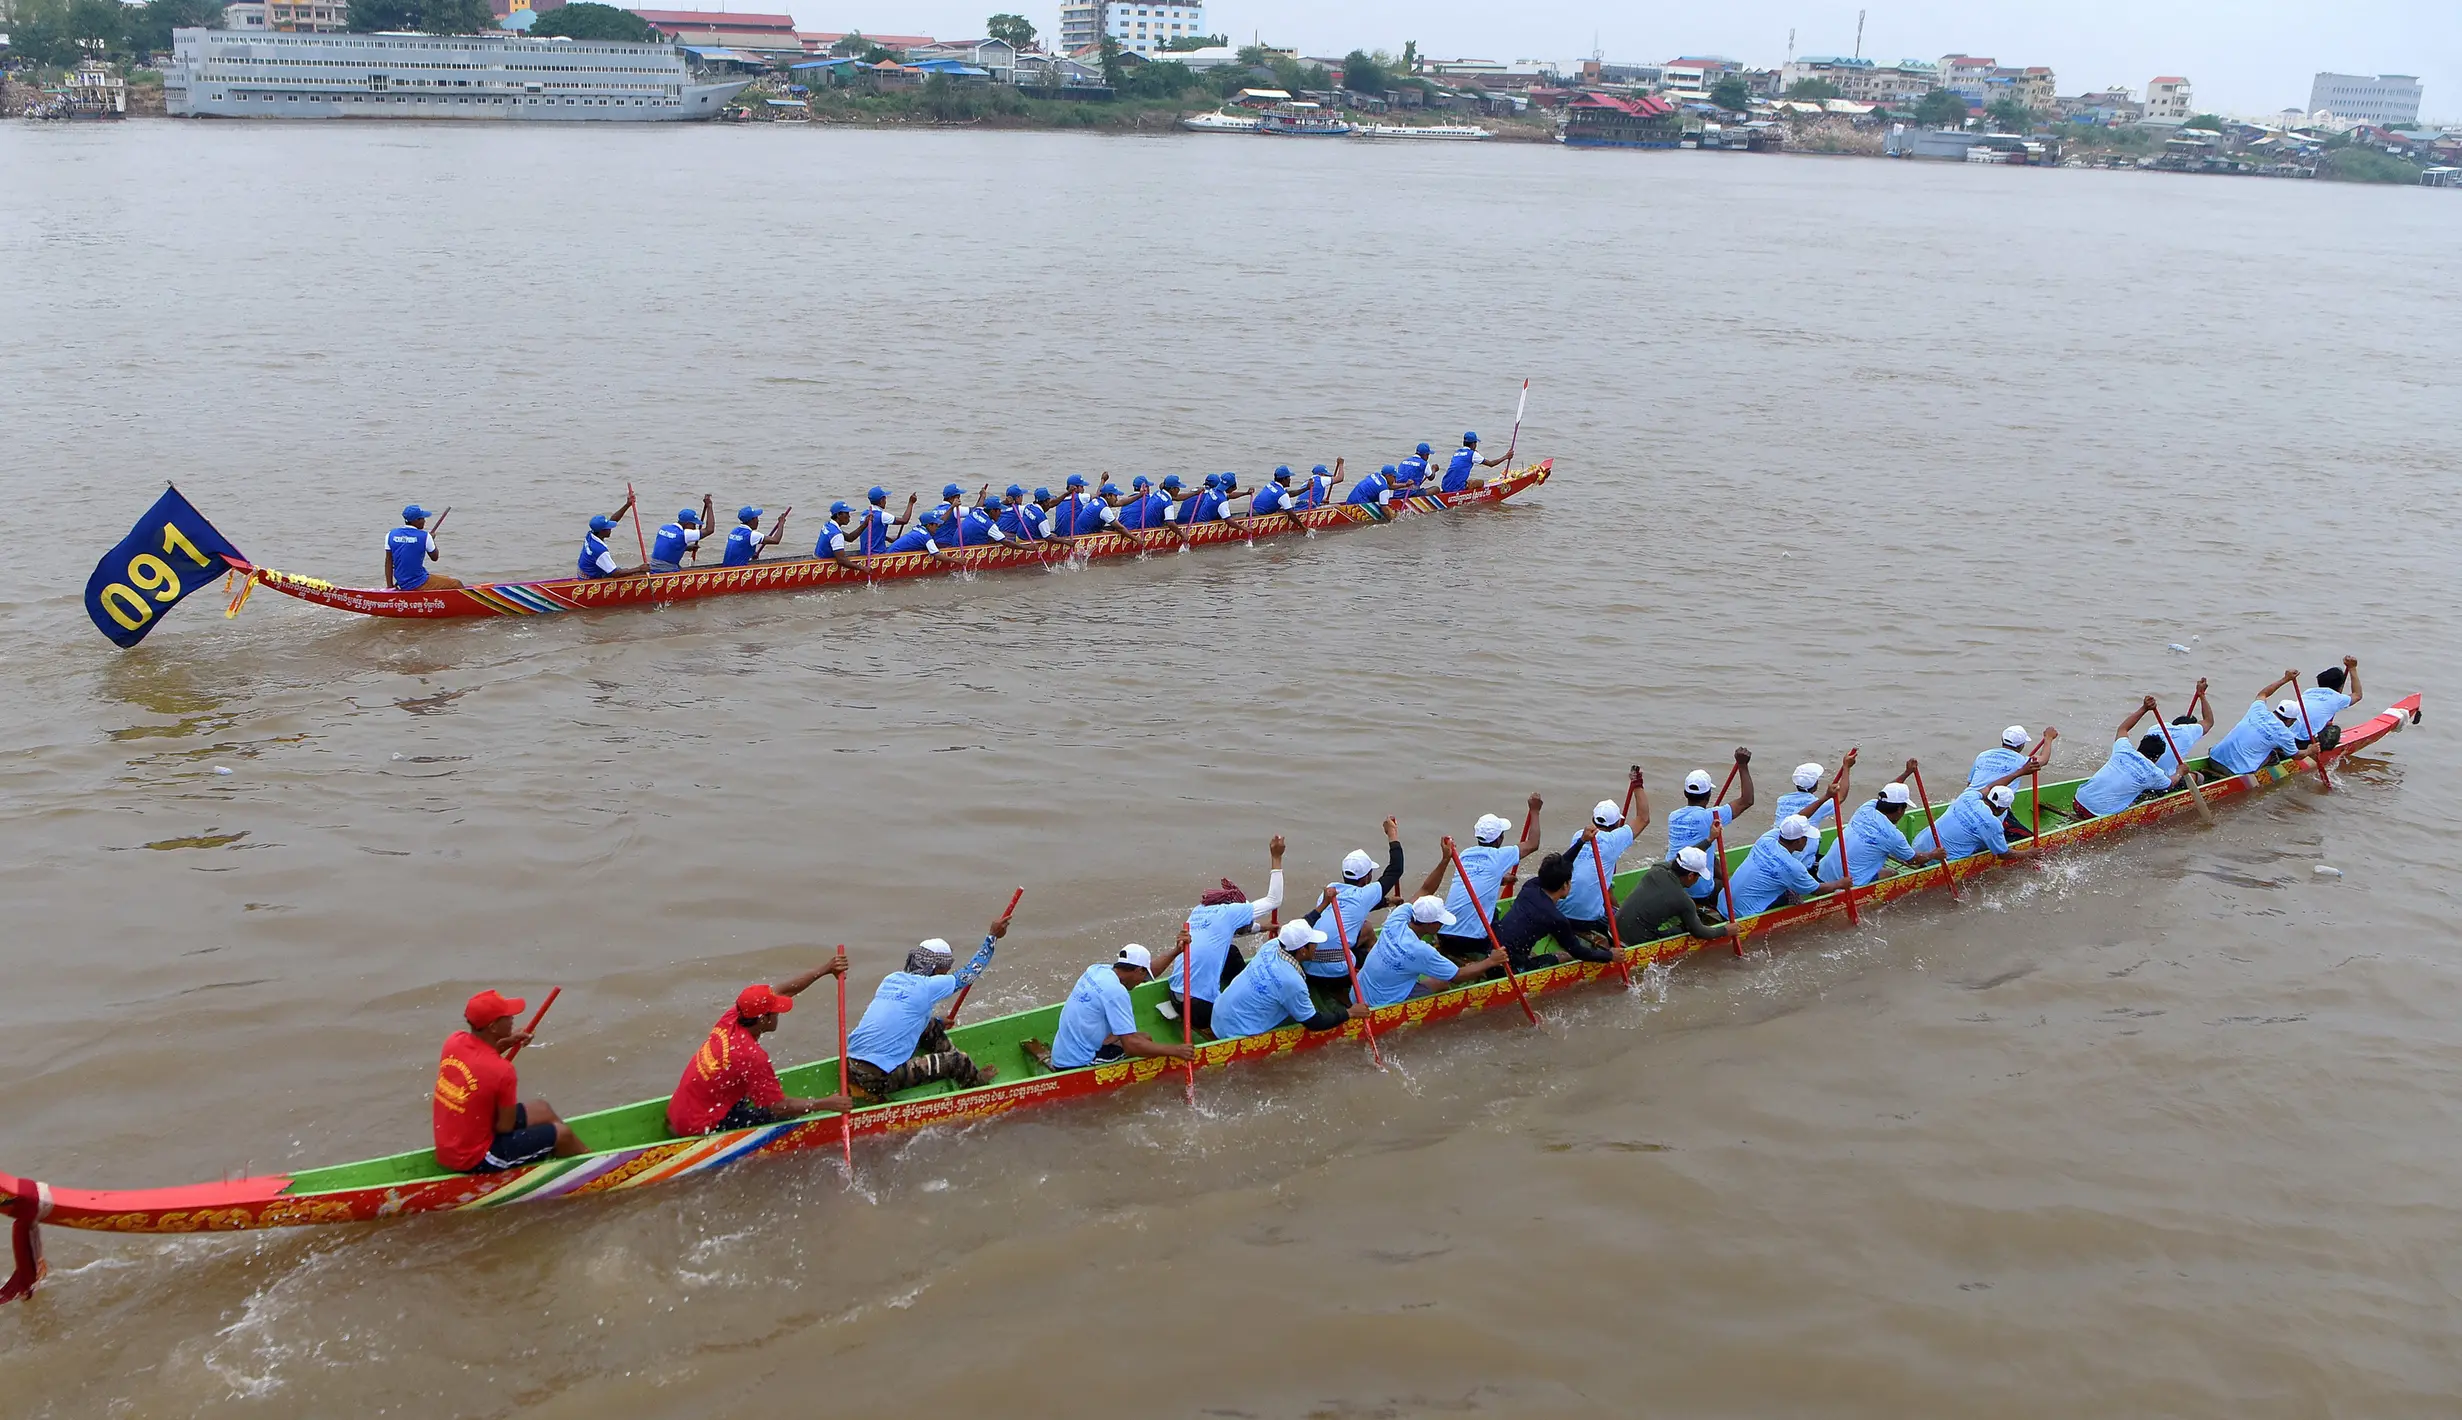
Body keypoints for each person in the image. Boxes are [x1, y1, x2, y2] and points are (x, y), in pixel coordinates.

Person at [665, 959, 856, 1135]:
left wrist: (824, 970)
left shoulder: (733, 1016)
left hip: (680, 1111)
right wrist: (825, 1104)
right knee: (782, 1115)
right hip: (697, 1127)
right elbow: (778, 1107)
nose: (779, 1014)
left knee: (748, 1088)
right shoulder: (751, 1056)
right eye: (776, 1012)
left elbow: (784, 990)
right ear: (764, 1019)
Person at [842, 921, 1012, 1101]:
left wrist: (937, 1023)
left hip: (851, 1065)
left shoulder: (891, 979)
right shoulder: (928, 986)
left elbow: (901, 1015)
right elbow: (970, 973)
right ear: (937, 969)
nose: (946, 974)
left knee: (930, 1025)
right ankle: (976, 1088)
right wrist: (992, 938)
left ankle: (948, 1056)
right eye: (945, 970)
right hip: (879, 1077)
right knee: (960, 1061)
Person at [1147, 836, 1288, 1034]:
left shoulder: (1200, 911)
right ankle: (1225, 1017)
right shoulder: (1229, 912)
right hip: (1198, 1008)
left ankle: (1237, 990)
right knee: (1250, 1016)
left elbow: (1229, 933)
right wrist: (1276, 857)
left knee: (1230, 951)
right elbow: (1274, 900)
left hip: (1176, 996)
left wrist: (1262, 928)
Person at [433, 989, 583, 1173]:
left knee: (542, 1109)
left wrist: (509, 1041)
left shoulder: (454, 1041)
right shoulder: (503, 1071)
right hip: (476, 1158)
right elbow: (504, 1127)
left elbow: (480, 1059)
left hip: (451, 1145)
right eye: (507, 1016)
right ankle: (593, 1170)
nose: (513, 1018)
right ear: (493, 1027)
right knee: (562, 1134)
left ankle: (574, 1158)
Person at [1024, 945, 1199, 1070]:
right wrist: (1176, 1050)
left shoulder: (1097, 970)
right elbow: (1132, 1047)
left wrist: (1176, 951)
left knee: (1140, 1037)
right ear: (1139, 970)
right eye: (1143, 977)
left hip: (1064, 1050)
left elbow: (1148, 970)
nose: (1143, 982)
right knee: (1144, 1041)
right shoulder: (1116, 992)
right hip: (1078, 1062)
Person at [1418, 796, 1544, 962]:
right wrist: (1535, 810)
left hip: (1444, 934)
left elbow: (1474, 879)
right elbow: (1533, 844)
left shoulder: (1464, 855)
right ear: (1499, 839)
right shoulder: (1499, 856)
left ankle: (1450, 952)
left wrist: (1500, 879)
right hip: (1472, 941)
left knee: (1493, 913)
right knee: (1511, 934)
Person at [1301, 817, 1406, 1013]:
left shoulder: (1329, 891)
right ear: (1367, 877)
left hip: (1309, 966)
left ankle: (1337, 986)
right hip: (1336, 973)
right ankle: (1375, 975)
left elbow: (1351, 910)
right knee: (1367, 930)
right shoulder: (1363, 895)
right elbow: (1396, 869)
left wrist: (1388, 901)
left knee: (1361, 927)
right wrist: (1392, 834)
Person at [1204, 921, 1373, 1042]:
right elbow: (1314, 1022)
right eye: (1314, 944)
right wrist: (1349, 1013)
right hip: (1234, 1032)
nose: (1317, 946)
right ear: (1303, 950)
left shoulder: (1271, 946)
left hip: (1218, 1012)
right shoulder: (1292, 982)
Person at [1358, 895, 1503, 1007]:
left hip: (1359, 992)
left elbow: (1425, 889)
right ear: (1430, 925)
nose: (1442, 925)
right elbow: (1457, 976)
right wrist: (1491, 961)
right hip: (1382, 1003)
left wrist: (1443, 865)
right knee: (1442, 982)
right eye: (1440, 922)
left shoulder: (1396, 919)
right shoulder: (1421, 950)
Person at [2070, 696, 2199, 819]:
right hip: (2096, 814)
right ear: (2157, 758)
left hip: (2077, 801)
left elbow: (2123, 728)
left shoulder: (2123, 749)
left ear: (2140, 745)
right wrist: (2180, 772)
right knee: (2141, 799)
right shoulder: (2154, 773)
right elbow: (2170, 784)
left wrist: (2144, 708)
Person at [1913, 753, 2049, 862]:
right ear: (2003, 809)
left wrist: (2019, 773)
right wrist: (2028, 853)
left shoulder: (1968, 797)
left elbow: (1989, 786)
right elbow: (2004, 854)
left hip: (1917, 845)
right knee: (1993, 843)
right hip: (1937, 860)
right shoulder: (1993, 824)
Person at [1666, 749, 1755, 916]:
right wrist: (1743, 765)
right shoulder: (1711, 816)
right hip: (1697, 889)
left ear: (1685, 793)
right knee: (1734, 890)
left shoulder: (1673, 816)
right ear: (1708, 795)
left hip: (1673, 882)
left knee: (1712, 858)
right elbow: (1747, 800)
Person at [1817, 773, 1948, 885]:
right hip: (1849, 883)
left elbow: (1888, 792)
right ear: (1899, 809)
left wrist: (1907, 772)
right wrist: (1933, 854)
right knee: (1893, 873)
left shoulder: (1868, 807)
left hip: (1823, 871)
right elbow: (1914, 860)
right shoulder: (1893, 836)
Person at [1483, 848, 1598, 972]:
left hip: (1492, 949)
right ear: (1565, 885)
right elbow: (1578, 952)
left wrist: (1581, 841)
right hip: (1509, 968)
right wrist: (1609, 955)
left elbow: (1554, 871)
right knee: (1564, 956)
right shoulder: (1555, 918)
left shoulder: (1530, 886)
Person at [1558, 789, 1648, 940]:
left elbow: (1606, 890)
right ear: (1617, 824)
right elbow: (1643, 818)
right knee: (1630, 922)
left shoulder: (1579, 835)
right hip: (1585, 920)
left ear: (1593, 819)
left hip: (1560, 911)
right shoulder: (1613, 840)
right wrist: (1638, 785)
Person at [1726, 815, 1850, 918]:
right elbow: (1817, 890)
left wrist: (1826, 797)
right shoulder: (1794, 868)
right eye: (1807, 838)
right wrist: (1840, 883)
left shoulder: (1766, 838)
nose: (1808, 841)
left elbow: (1790, 827)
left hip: (1725, 902)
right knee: (1794, 897)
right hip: (1742, 915)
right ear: (1799, 841)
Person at [1612, 846, 1736, 946]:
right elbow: (1699, 932)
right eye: (1698, 876)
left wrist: (1708, 840)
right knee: (1683, 930)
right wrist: (1725, 930)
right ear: (1690, 876)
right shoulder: (1684, 901)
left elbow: (1682, 860)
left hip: (1613, 928)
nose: (1697, 880)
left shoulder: (1658, 868)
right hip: (1633, 942)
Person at [2201, 671, 2311, 777]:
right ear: (2290, 720)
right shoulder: (2285, 735)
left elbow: (2263, 694)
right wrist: (2310, 750)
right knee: (2272, 755)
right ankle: (2260, 775)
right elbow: (2296, 756)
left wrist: (2285, 679)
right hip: (2234, 771)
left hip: (2214, 757)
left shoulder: (2258, 710)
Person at [2147, 679, 2218, 775]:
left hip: (2146, 769)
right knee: (2199, 777)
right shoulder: (2187, 733)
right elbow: (2209, 721)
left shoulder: (2157, 727)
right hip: (2165, 778)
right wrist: (2202, 695)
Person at [386, 504, 463, 592]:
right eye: (422, 518)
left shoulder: (391, 534)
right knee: (456, 583)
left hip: (402, 582)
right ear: (416, 521)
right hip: (417, 582)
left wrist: (390, 586)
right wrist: (432, 540)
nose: (424, 521)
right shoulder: (425, 536)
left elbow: (388, 561)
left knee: (446, 578)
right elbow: (435, 557)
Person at [1772, 750, 1856, 829]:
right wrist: (1846, 767)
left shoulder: (1781, 800)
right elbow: (1841, 796)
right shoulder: (1819, 806)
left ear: (1795, 783)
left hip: (1778, 835)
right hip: (1801, 839)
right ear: (1815, 785)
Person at [2299, 657, 2362, 748]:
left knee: (2325, 723)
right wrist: (2352, 668)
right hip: (2304, 741)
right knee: (2334, 730)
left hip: (2290, 734)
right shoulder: (2336, 698)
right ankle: (2321, 749)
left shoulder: (2308, 692)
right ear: (2340, 687)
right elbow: (2357, 695)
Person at [1969, 725, 2058, 788]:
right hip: (1992, 804)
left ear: (2002, 740)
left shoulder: (1983, 756)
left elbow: (1970, 783)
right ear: (2021, 746)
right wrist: (2048, 738)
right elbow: (2044, 759)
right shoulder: (2022, 762)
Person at [577, 504, 647, 580]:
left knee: (629, 571)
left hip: (584, 572)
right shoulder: (600, 550)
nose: (610, 529)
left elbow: (613, 520)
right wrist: (639, 568)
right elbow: (615, 573)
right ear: (602, 531)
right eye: (608, 528)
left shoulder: (591, 534)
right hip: (590, 579)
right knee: (635, 573)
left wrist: (627, 504)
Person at [648, 498, 713, 572]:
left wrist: (686, 548)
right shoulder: (683, 534)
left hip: (654, 565)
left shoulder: (664, 528)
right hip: (665, 568)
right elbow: (709, 530)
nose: (695, 528)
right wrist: (709, 506)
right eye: (694, 524)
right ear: (687, 524)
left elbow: (668, 547)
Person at [853, 486, 918, 555]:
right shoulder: (882, 515)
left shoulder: (864, 514)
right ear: (882, 500)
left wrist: (889, 539)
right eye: (885, 499)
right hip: (876, 554)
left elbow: (873, 533)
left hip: (865, 553)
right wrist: (911, 503)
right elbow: (904, 520)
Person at [1441, 432, 1507, 493]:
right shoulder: (1473, 454)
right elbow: (1491, 464)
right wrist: (1506, 456)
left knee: (1468, 481)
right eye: (1475, 443)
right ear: (1473, 444)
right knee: (1481, 482)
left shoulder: (1457, 452)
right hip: (1456, 487)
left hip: (1445, 484)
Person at [812, 502, 865, 569]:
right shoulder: (836, 534)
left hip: (817, 558)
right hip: (822, 566)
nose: (849, 516)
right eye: (846, 513)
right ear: (838, 515)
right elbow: (841, 561)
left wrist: (865, 524)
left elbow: (850, 538)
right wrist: (863, 568)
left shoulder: (828, 525)